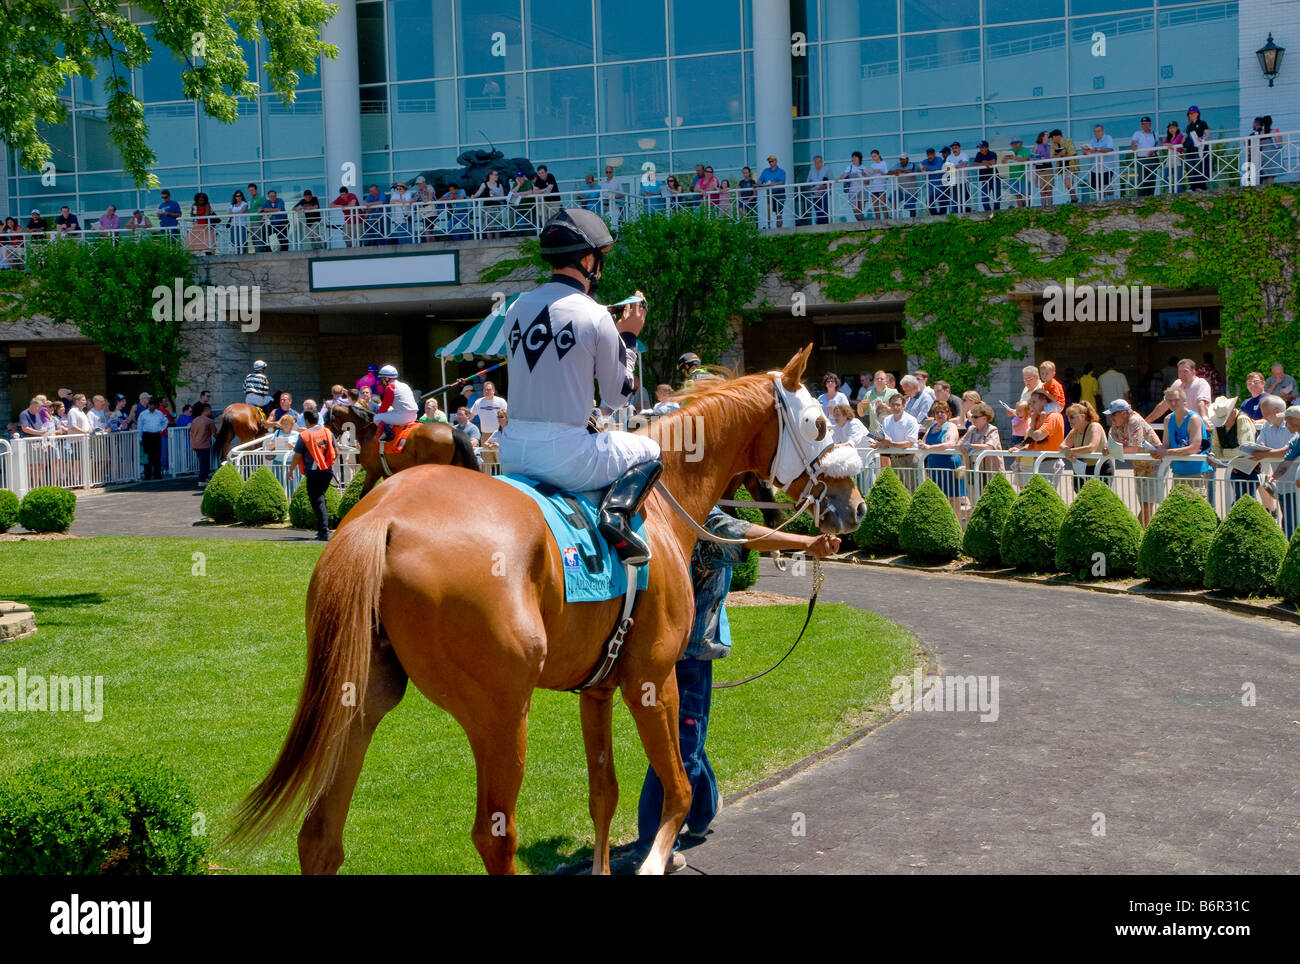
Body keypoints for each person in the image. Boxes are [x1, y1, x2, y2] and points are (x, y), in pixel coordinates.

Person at [632, 509, 840, 873]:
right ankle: (655, 841)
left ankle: (701, 814)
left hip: (661, 650)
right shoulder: (700, 519)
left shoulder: (665, 510)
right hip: (688, 654)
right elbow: (745, 536)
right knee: (681, 747)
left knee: (686, 737)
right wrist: (808, 543)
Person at [496, 207, 656, 564]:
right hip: (566, 457)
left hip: (512, 451)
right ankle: (616, 520)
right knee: (652, 451)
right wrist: (627, 339)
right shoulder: (596, 313)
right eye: (599, 259)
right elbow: (617, 396)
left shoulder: (516, 308)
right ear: (588, 259)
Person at [1103, 399, 1162, 525]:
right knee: (1144, 504)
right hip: (1140, 465)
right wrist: (1106, 447)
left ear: (1124, 413)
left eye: (1113, 415)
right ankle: (1143, 531)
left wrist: (1111, 450)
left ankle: (1138, 532)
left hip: (1153, 464)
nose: (1111, 418)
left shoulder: (1134, 420)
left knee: (1147, 505)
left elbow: (1133, 448)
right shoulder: (1117, 423)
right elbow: (1110, 441)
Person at [1156, 385, 1212, 500]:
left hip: (1196, 472)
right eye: (1169, 401)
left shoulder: (1194, 419)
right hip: (1177, 471)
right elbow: (1166, 444)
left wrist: (1166, 452)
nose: (1173, 403)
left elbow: (1194, 448)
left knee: (1195, 508)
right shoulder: (1168, 420)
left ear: (1184, 400)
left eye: (1176, 400)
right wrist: (1157, 450)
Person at [291, 409, 339, 541]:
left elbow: (297, 455)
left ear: (306, 421)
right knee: (320, 498)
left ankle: (324, 531)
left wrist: (291, 470)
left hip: (313, 472)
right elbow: (336, 450)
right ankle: (322, 528)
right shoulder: (328, 432)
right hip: (328, 471)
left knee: (317, 500)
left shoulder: (304, 435)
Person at [918, 400, 965, 517]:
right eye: (937, 412)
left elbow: (951, 443)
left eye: (942, 412)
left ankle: (956, 525)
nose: (940, 414)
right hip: (934, 464)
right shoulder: (932, 426)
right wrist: (920, 444)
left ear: (948, 413)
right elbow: (923, 442)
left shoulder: (951, 426)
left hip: (949, 464)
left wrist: (930, 447)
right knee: (937, 496)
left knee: (953, 497)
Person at [1207, 395, 1258, 501]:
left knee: (1245, 502)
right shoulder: (1219, 425)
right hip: (1234, 469)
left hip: (1249, 470)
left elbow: (1245, 449)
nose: (1223, 422)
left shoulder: (1242, 419)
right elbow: (1216, 446)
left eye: (1225, 418)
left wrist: (1222, 453)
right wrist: (1213, 454)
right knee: (1241, 501)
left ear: (1234, 412)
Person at [873, 392, 920, 488]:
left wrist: (891, 443)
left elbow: (909, 443)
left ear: (903, 406)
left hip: (910, 459)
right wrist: (879, 445)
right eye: (893, 405)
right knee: (899, 490)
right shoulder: (887, 420)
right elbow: (886, 442)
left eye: (898, 405)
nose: (895, 407)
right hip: (894, 459)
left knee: (913, 489)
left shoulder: (911, 420)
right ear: (889, 406)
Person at [1060, 402, 1109, 491]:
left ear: (1082, 417)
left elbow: (1091, 447)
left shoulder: (1095, 426)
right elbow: (1062, 446)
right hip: (1083, 469)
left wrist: (1071, 451)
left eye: (1072, 417)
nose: (1069, 420)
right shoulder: (1074, 430)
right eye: (1067, 417)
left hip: (1100, 468)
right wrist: (1067, 451)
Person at [373, 364, 418, 442]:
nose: (382, 381)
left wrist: (377, 413)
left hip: (403, 416)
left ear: (387, 378)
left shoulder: (390, 387)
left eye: (383, 378)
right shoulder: (405, 385)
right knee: (389, 412)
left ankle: (389, 434)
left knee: (377, 418)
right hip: (414, 415)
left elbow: (384, 407)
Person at [1079, 124, 1116, 200]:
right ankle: (1101, 202)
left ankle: (1112, 200)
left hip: (1106, 167)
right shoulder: (1092, 140)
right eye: (1095, 132)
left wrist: (1097, 149)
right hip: (1095, 168)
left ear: (1103, 131)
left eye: (1098, 131)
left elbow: (1109, 149)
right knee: (1097, 188)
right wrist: (1085, 151)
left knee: (1106, 186)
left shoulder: (1108, 138)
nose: (1096, 133)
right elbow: (1089, 152)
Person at [138, 397, 169, 480]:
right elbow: (140, 426)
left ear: (155, 406)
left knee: (157, 455)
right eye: (150, 404)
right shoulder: (143, 414)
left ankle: (157, 474)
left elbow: (165, 421)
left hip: (156, 435)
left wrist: (161, 429)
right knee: (147, 455)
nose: (151, 406)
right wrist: (140, 438)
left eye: (153, 405)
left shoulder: (159, 413)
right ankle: (148, 474)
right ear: (148, 405)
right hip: (147, 435)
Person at [189, 402, 218, 486]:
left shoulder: (195, 420)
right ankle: (202, 480)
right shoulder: (209, 421)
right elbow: (214, 433)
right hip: (204, 445)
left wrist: (192, 444)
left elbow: (191, 433)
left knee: (202, 463)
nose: (211, 412)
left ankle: (204, 478)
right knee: (204, 463)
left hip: (196, 445)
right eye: (210, 411)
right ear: (207, 410)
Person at [1183, 106, 1210, 192]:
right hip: (1189, 149)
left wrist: (1202, 138)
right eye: (1190, 114)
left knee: (1199, 167)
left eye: (1193, 113)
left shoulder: (1202, 123)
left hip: (1198, 148)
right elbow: (1186, 136)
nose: (1192, 115)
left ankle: (1201, 186)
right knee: (1190, 168)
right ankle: (1192, 186)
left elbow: (1207, 133)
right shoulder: (1189, 126)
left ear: (1197, 113)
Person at [1131, 116, 1159, 197]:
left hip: (1152, 159)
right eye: (1143, 124)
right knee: (1142, 180)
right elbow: (1133, 142)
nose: (1145, 125)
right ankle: (1141, 199)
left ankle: (1150, 197)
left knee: (1152, 180)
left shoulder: (1154, 134)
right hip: (1141, 159)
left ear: (1150, 124)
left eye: (1146, 123)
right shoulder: (1138, 133)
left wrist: (1153, 151)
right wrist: (1133, 146)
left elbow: (1158, 145)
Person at [758, 155, 786, 228]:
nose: (770, 163)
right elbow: (759, 181)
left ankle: (779, 230)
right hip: (769, 193)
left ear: (776, 161)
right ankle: (769, 226)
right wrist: (756, 184)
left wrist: (774, 184)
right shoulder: (765, 171)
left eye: (772, 161)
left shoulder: (781, 171)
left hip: (780, 193)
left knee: (779, 214)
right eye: (769, 161)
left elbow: (782, 182)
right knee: (768, 209)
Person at [972, 140, 1000, 211]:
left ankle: (996, 212)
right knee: (984, 199)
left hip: (994, 178)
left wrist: (984, 161)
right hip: (984, 179)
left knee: (997, 197)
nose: (981, 149)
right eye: (980, 147)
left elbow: (993, 162)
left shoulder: (992, 153)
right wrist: (984, 164)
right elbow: (975, 164)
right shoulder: (979, 154)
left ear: (987, 147)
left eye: (982, 147)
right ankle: (988, 212)